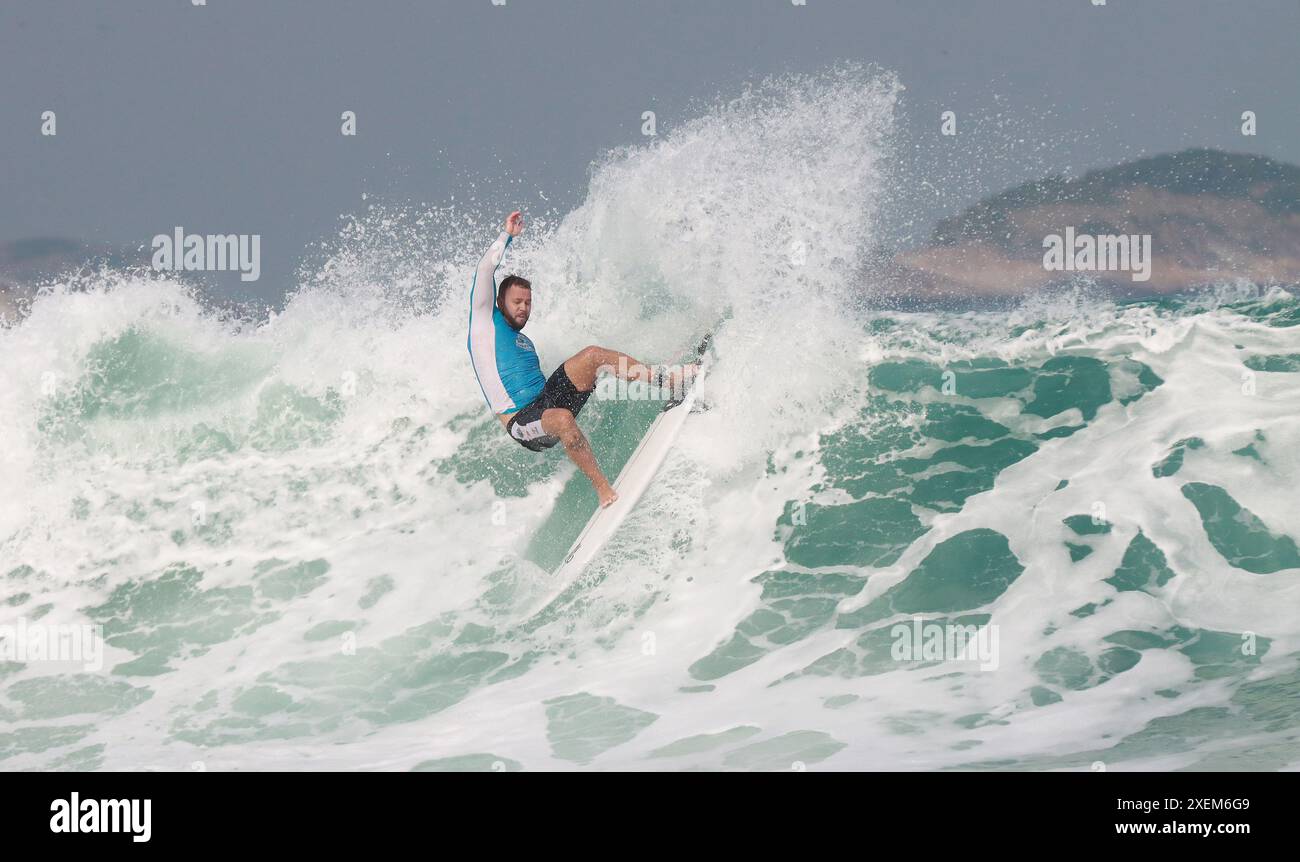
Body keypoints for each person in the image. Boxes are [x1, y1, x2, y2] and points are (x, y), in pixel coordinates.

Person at [467, 211, 694, 508]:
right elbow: (484, 270)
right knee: (563, 419)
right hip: (522, 422)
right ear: (499, 302)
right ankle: (602, 489)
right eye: (517, 302)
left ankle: (670, 381)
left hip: (546, 400)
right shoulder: (483, 323)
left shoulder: (524, 341)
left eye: (528, 302)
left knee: (593, 356)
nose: (524, 308)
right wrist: (506, 235)